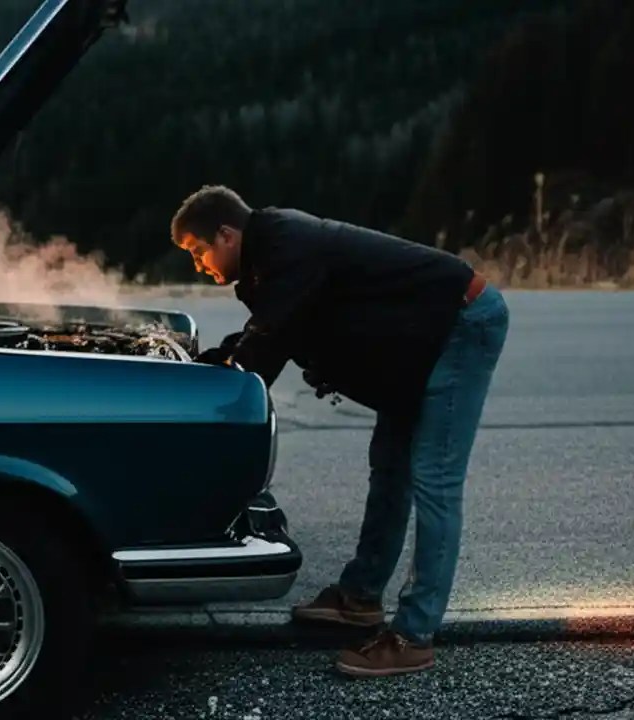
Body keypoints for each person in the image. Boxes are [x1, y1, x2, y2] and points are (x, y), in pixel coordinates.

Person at [171, 185, 509, 677]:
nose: (198, 265)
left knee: (434, 480)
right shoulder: (271, 254)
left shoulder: (287, 244)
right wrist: (214, 362)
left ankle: (415, 635)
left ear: (226, 233)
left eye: (198, 251)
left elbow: (269, 342)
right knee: (389, 470)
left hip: (459, 325)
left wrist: (216, 390)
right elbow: (268, 329)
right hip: (414, 346)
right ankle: (361, 597)